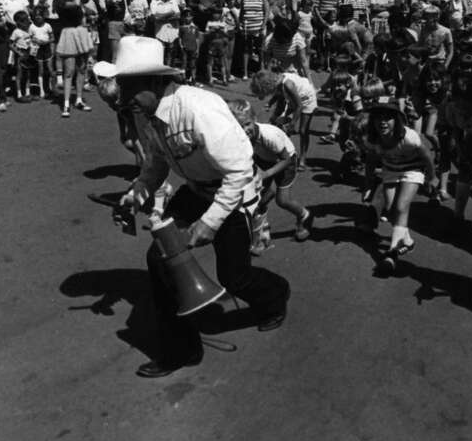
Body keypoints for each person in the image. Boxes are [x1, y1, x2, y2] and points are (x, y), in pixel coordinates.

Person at [93, 36, 291, 378]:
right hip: (197, 190)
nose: (122, 99)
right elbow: (155, 164)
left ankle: (275, 295)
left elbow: (240, 171)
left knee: (235, 277)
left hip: (234, 196)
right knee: (160, 260)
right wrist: (135, 195)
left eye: (128, 87)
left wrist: (209, 223)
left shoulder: (198, 108)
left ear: (156, 81)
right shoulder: (143, 110)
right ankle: (180, 350)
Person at [361, 95, 438, 273]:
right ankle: (408, 241)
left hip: (413, 170)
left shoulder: (410, 137)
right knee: (390, 208)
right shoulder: (372, 140)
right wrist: (368, 186)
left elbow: (427, 156)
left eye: (387, 117)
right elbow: (371, 163)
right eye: (378, 117)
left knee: (401, 206)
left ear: (396, 119)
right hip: (390, 171)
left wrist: (432, 177)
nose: (382, 122)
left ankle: (391, 252)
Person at [228, 99, 314, 252]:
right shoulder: (239, 138)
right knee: (259, 199)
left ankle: (304, 215)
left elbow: (286, 159)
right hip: (264, 159)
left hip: (286, 160)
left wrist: (266, 174)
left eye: (247, 124)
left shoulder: (268, 135)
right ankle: (262, 235)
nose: (244, 130)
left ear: (254, 119)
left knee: (282, 200)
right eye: (239, 127)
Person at [251, 70, 317, 168]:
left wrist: (293, 123)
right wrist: (270, 103)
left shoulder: (287, 85)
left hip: (306, 100)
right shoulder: (278, 82)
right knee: (279, 124)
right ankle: (281, 153)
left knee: (303, 130)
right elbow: (278, 95)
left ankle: (302, 158)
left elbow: (299, 106)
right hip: (292, 98)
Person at [55, 5, 93, 117]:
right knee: (69, 73)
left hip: (81, 53)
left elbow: (87, 46)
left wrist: (86, 54)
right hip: (70, 51)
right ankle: (66, 103)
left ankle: (79, 100)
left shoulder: (81, 29)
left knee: (81, 71)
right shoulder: (67, 31)